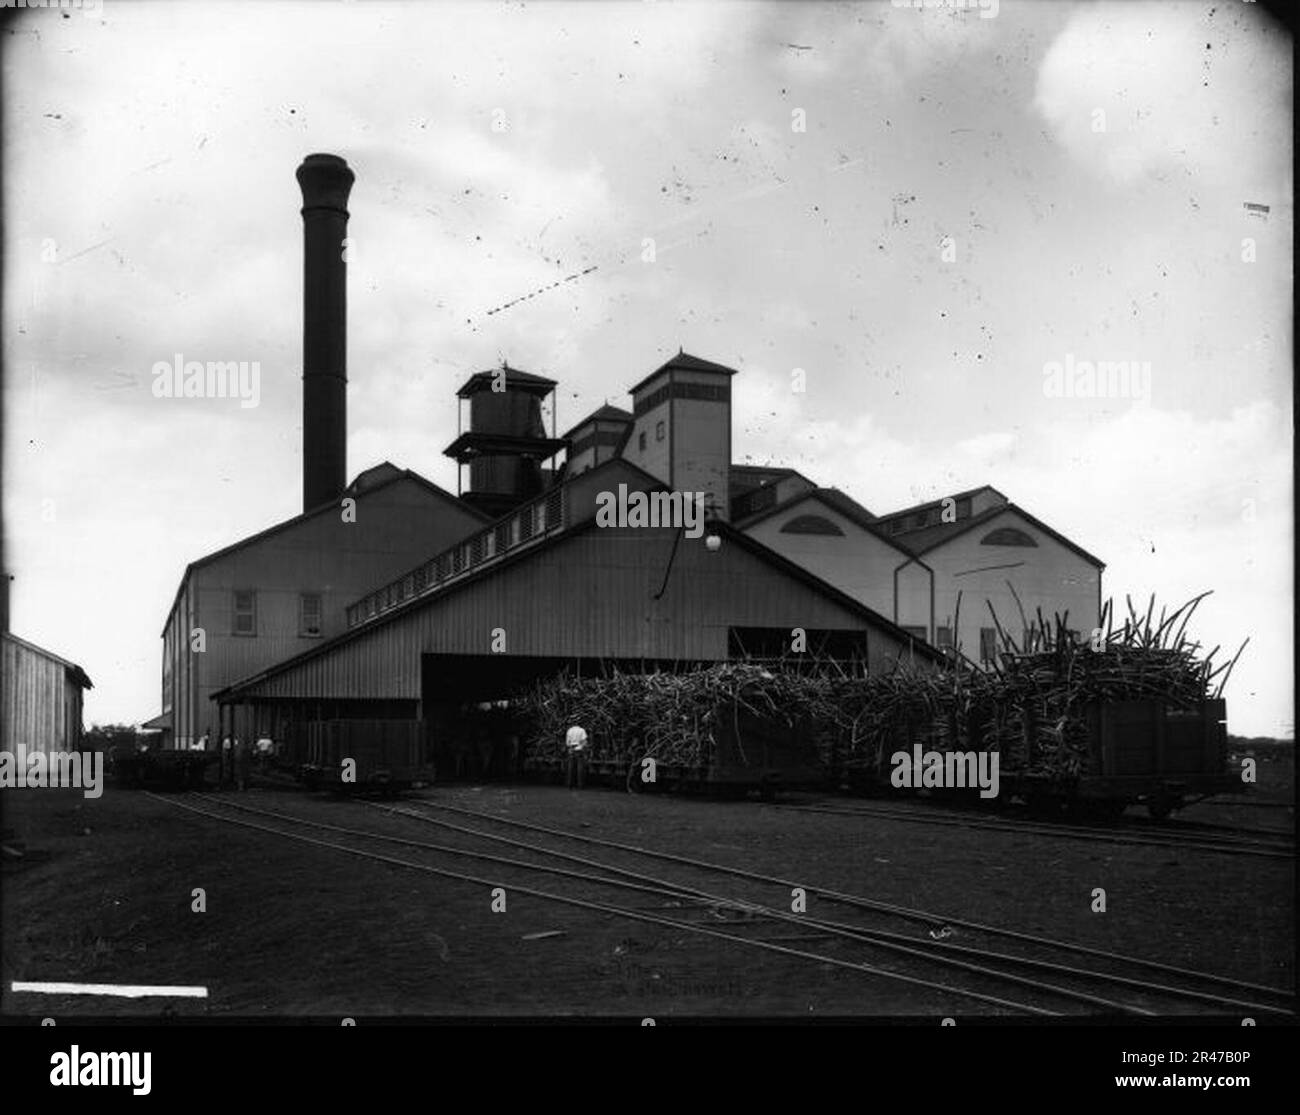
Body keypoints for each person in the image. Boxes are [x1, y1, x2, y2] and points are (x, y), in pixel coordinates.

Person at [564, 724, 588, 789]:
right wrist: (582, 747)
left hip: (571, 750)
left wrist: (571, 748)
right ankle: (580, 785)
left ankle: (569, 784)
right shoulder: (582, 730)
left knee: (570, 768)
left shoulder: (569, 730)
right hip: (579, 750)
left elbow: (567, 743)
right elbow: (584, 741)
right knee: (580, 768)